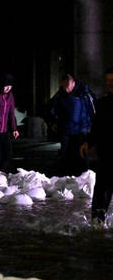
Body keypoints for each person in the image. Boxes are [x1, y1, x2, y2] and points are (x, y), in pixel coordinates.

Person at [47, 73, 95, 177]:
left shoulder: (83, 93)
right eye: (63, 86)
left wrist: (92, 124)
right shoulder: (60, 94)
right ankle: (67, 176)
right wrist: (53, 121)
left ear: (73, 83)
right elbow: (52, 108)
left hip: (81, 130)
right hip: (66, 130)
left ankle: (84, 176)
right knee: (66, 155)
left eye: (67, 86)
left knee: (82, 154)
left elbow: (92, 109)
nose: (66, 89)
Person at [90, 67, 113, 225]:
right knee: (102, 188)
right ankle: (98, 220)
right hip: (107, 152)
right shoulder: (103, 103)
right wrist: (89, 141)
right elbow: (97, 126)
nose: (110, 84)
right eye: (108, 81)